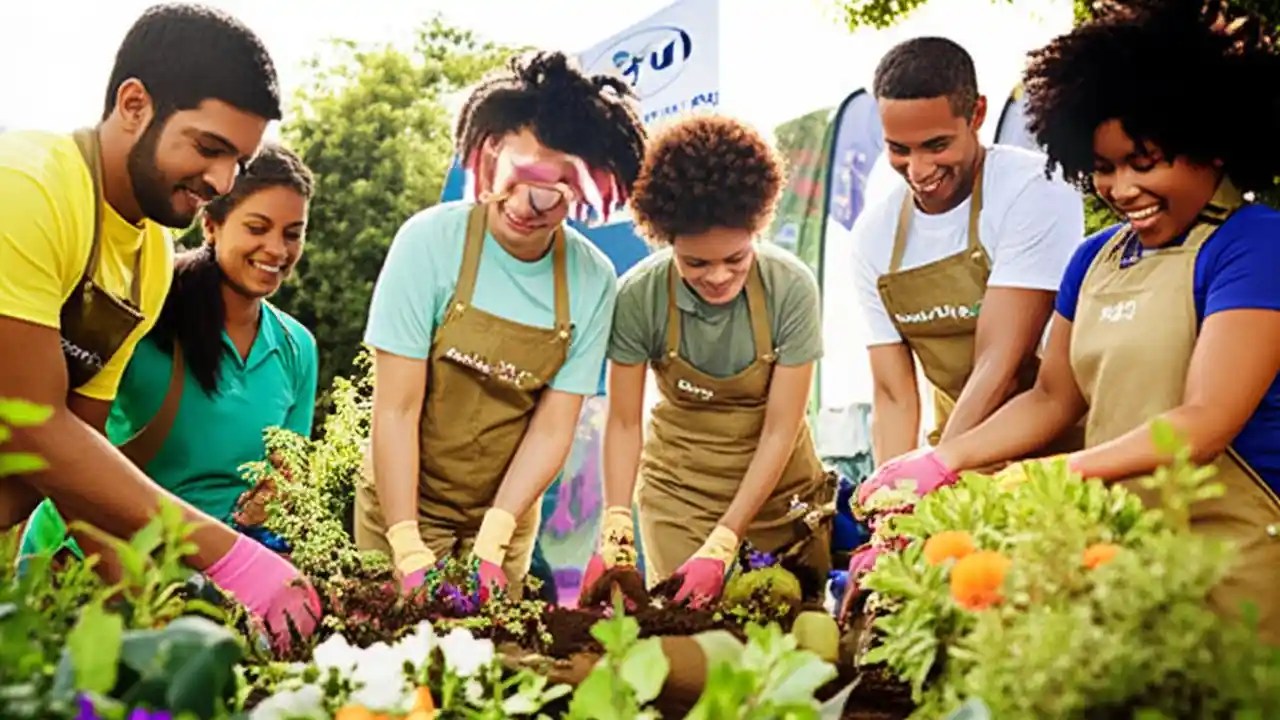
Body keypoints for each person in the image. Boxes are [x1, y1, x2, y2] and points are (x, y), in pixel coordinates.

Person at [855, 0, 1280, 644]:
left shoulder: (1255, 244)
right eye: (1104, 167)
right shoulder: (1094, 260)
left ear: (1211, 147)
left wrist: (1041, 474)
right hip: (1122, 552)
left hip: (1236, 555)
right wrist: (944, 460)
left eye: (1145, 161)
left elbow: (1205, 421)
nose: (1122, 188)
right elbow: (1054, 397)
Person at [0, 3, 319, 647]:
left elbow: (73, 475)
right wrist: (226, 556)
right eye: (208, 148)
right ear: (135, 103)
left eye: (238, 159)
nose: (222, 180)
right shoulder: (27, 187)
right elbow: (23, 423)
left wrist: (163, 616)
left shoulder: (147, 259)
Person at [354, 50, 646, 597]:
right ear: (488, 153)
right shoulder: (429, 244)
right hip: (402, 502)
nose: (524, 207)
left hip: (506, 515)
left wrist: (495, 534)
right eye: (513, 178)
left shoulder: (590, 280)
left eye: (551, 195)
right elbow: (395, 408)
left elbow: (554, 424)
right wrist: (408, 544)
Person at [19, 143, 319, 561]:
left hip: (214, 572)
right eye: (257, 227)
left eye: (292, 234)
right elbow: (64, 438)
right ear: (211, 225)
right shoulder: (143, 312)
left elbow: (285, 481)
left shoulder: (296, 348)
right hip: (98, 559)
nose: (277, 249)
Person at [581, 114, 831, 608]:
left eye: (736, 259)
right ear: (665, 239)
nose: (718, 276)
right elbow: (625, 422)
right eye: (696, 263)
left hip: (780, 492)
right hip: (681, 491)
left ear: (757, 228)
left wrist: (725, 541)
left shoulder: (791, 288)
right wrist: (614, 523)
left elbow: (782, 427)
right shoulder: (639, 297)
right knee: (687, 635)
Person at [850, 37, 1085, 465]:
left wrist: (934, 471)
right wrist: (891, 494)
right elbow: (893, 395)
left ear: (976, 114)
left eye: (936, 145)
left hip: (1063, 451)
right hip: (957, 450)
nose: (918, 170)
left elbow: (1002, 362)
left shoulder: (1034, 190)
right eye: (899, 149)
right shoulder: (873, 236)